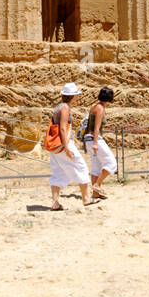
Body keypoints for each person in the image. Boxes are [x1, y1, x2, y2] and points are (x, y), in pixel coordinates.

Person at [47, 82, 93, 210]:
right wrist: (66, 147)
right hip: (63, 144)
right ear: (73, 96)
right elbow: (62, 128)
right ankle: (86, 199)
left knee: (58, 172)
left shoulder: (59, 107)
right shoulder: (65, 108)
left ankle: (55, 203)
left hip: (55, 146)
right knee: (81, 167)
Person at [83, 87, 118, 202]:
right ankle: (97, 185)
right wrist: (95, 143)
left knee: (96, 166)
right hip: (94, 139)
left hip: (88, 139)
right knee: (112, 163)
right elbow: (96, 127)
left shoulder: (94, 106)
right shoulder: (100, 108)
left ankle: (95, 194)